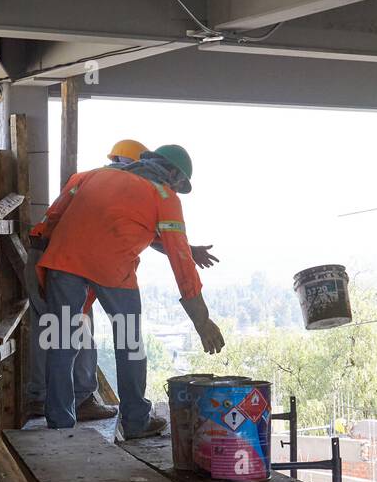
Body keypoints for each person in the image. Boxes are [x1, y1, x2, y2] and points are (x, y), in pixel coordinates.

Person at [37, 144, 225, 437]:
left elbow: (54, 218)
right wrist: (201, 320)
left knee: (61, 340)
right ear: (172, 173)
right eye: (179, 182)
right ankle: (136, 421)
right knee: (129, 342)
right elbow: (181, 261)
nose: (176, 187)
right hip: (114, 270)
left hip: (63, 261)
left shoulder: (89, 176)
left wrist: (43, 251)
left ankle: (59, 422)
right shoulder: (164, 196)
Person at [21, 140, 151, 421]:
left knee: (64, 331)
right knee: (57, 331)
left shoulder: (91, 181)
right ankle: (50, 399)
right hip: (54, 260)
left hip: (64, 264)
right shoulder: (96, 182)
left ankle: (66, 401)